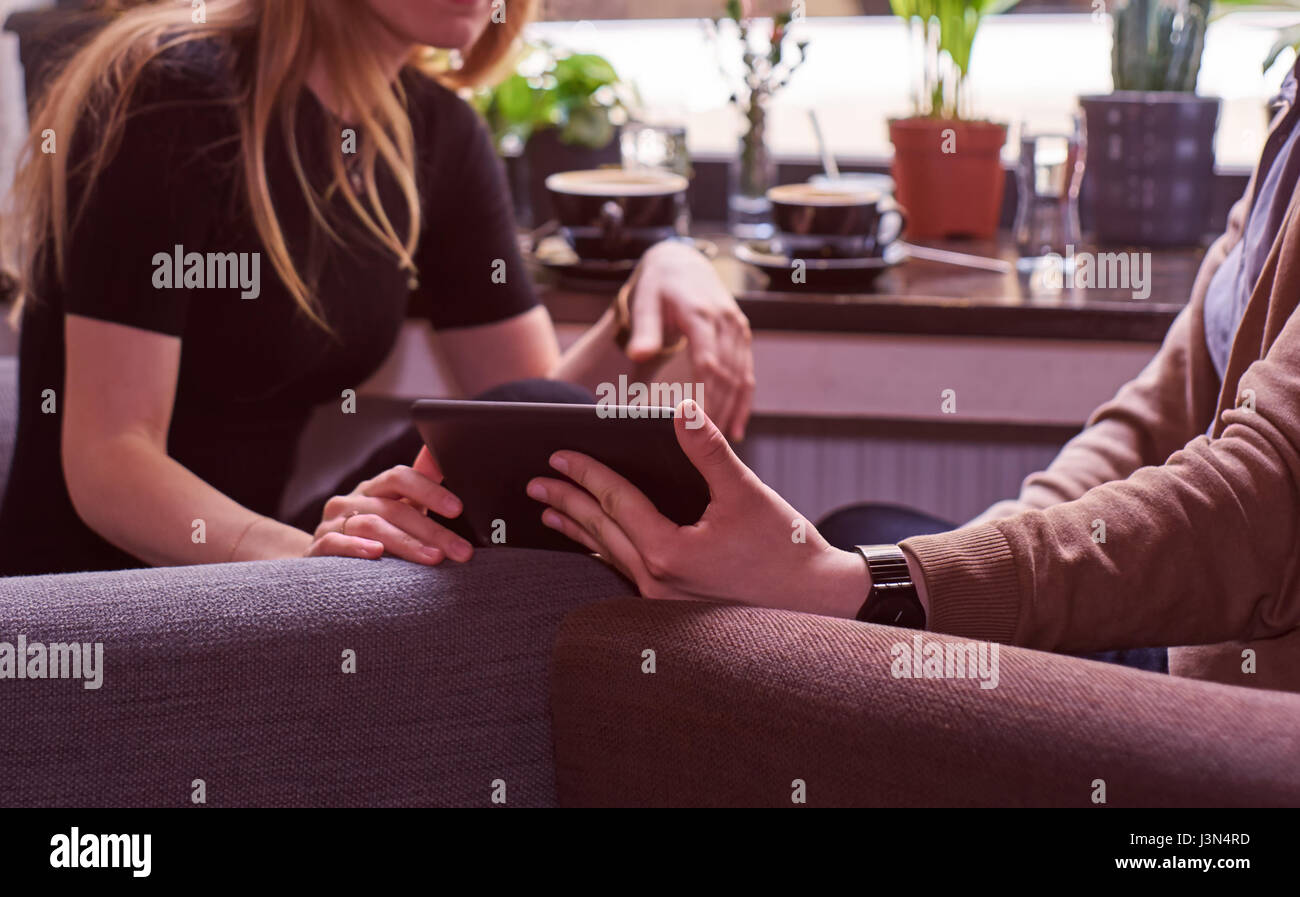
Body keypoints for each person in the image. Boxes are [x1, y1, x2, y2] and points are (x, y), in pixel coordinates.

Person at [529, 59, 1300, 695]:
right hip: (1193, 634)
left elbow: (1262, 505)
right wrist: (929, 565)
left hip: (1239, 690)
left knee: (838, 617)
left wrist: (877, 588)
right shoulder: (1287, 125)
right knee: (861, 533)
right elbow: (1151, 421)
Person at [0, 0, 753, 576]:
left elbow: (532, 412)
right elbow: (109, 459)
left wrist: (658, 274)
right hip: (98, 596)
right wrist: (307, 567)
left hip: (266, 557)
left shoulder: (436, 133)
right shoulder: (170, 97)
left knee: (550, 460)